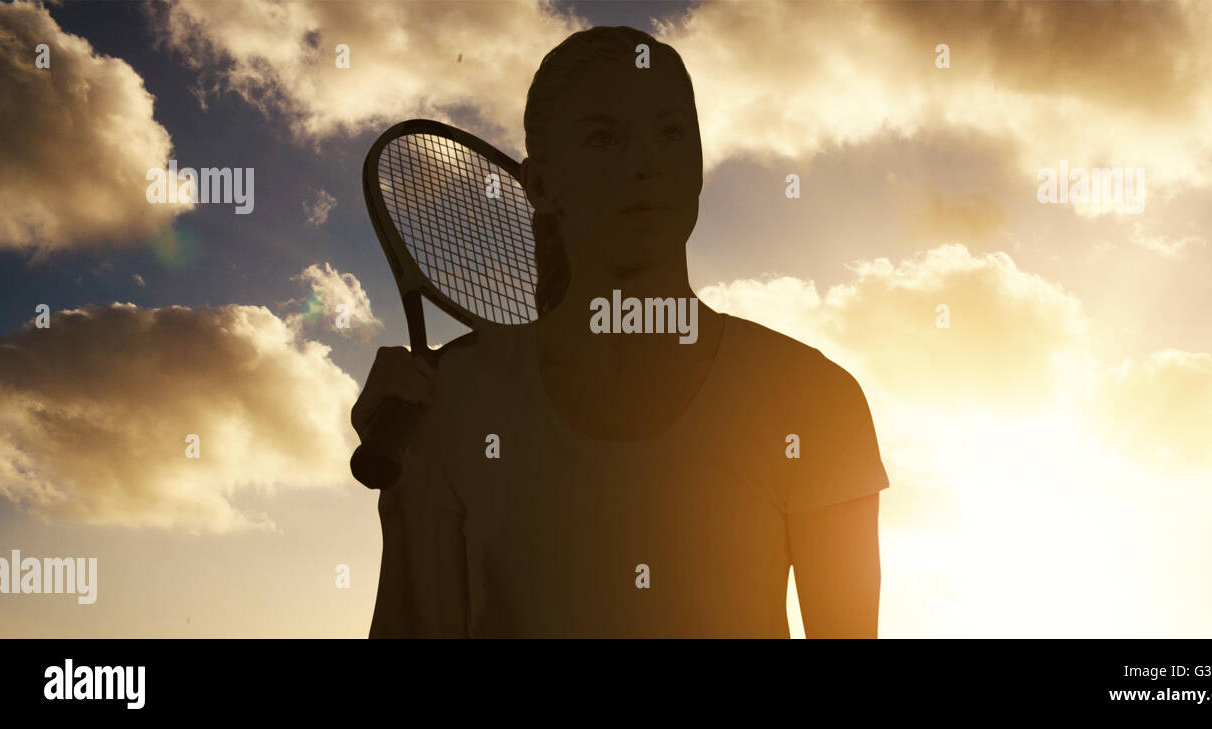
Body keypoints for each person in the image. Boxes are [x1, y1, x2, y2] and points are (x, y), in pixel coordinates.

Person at [351, 26, 889, 638]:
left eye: (671, 134)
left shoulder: (816, 399)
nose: (646, 164)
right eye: (605, 139)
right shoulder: (446, 402)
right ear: (541, 186)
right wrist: (400, 492)